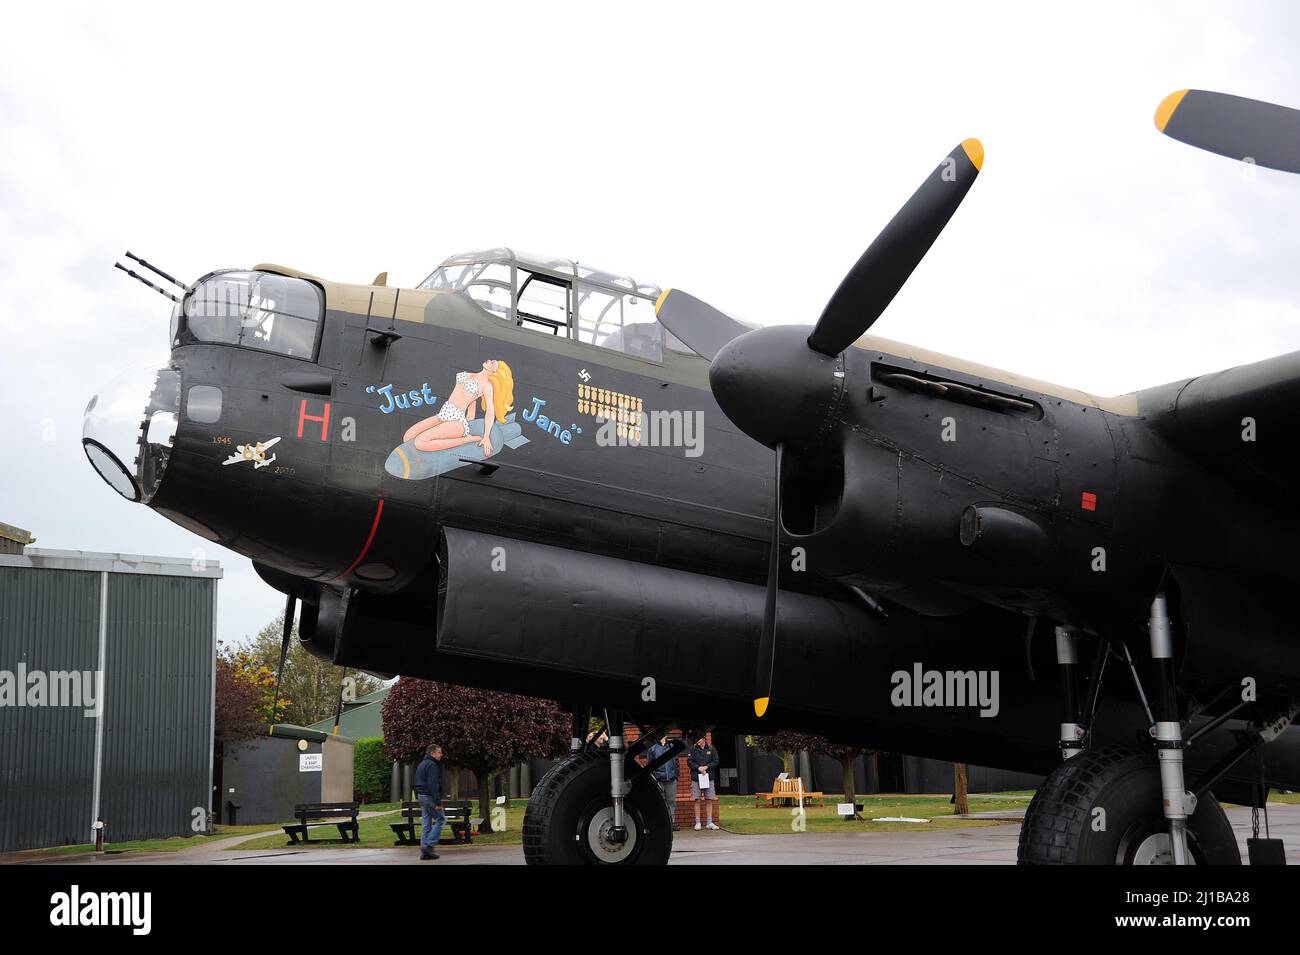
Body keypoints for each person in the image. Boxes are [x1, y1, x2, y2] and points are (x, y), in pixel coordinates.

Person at [403, 359, 515, 457]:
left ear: (495, 371)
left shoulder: (486, 386)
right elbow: (472, 401)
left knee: (419, 443)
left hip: (456, 420)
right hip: (444, 413)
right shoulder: (469, 375)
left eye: (493, 362)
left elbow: (490, 412)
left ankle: (466, 439)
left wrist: (486, 437)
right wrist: (470, 418)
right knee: (408, 437)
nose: (490, 360)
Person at [414, 742, 445, 860]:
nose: (441, 755)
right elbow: (433, 784)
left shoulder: (422, 764)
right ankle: (429, 845)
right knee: (441, 819)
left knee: (426, 823)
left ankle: (425, 852)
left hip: (421, 796)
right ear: (432, 753)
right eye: (439, 752)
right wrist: (438, 802)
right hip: (429, 797)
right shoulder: (432, 765)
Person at [686, 735, 720, 830]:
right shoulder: (692, 749)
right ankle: (698, 822)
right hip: (696, 778)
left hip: (708, 778)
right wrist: (698, 768)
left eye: (699, 739)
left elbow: (716, 761)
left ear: (704, 739)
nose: (697, 741)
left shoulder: (711, 748)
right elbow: (689, 761)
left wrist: (706, 767)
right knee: (697, 800)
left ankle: (709, 822)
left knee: (709, 799)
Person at [646, 735, 680, 831]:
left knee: (671, 801)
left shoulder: (671, 746)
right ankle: (661, 822)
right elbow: (650, 765)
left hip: (671, 780)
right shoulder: (652, 749)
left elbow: (677, 763)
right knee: (660, 802)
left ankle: (671, 822)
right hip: (659, 780)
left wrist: (676, 776)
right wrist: (654, 778)